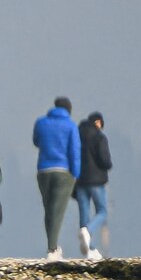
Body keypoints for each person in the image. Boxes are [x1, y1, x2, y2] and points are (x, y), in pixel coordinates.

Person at [33, 96, 82, 260]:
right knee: (58, 211)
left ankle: (52, 246)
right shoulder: (71, 126)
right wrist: (76, 174)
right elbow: (74, 152)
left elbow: (36, 141)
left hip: (43, 170)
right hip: (63, 171)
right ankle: (52, 249)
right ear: (69, 110)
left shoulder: (41, 123)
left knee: (49, 210)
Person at [76, 110, 112, 258]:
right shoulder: (99, 137)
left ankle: (89, 249)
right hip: (96, 180)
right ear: (98, 122)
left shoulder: (77, 135)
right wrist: (108, 165)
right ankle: (88, 231)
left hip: (80, 180)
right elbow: (105, 160)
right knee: (102, 211)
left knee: (84, 211)